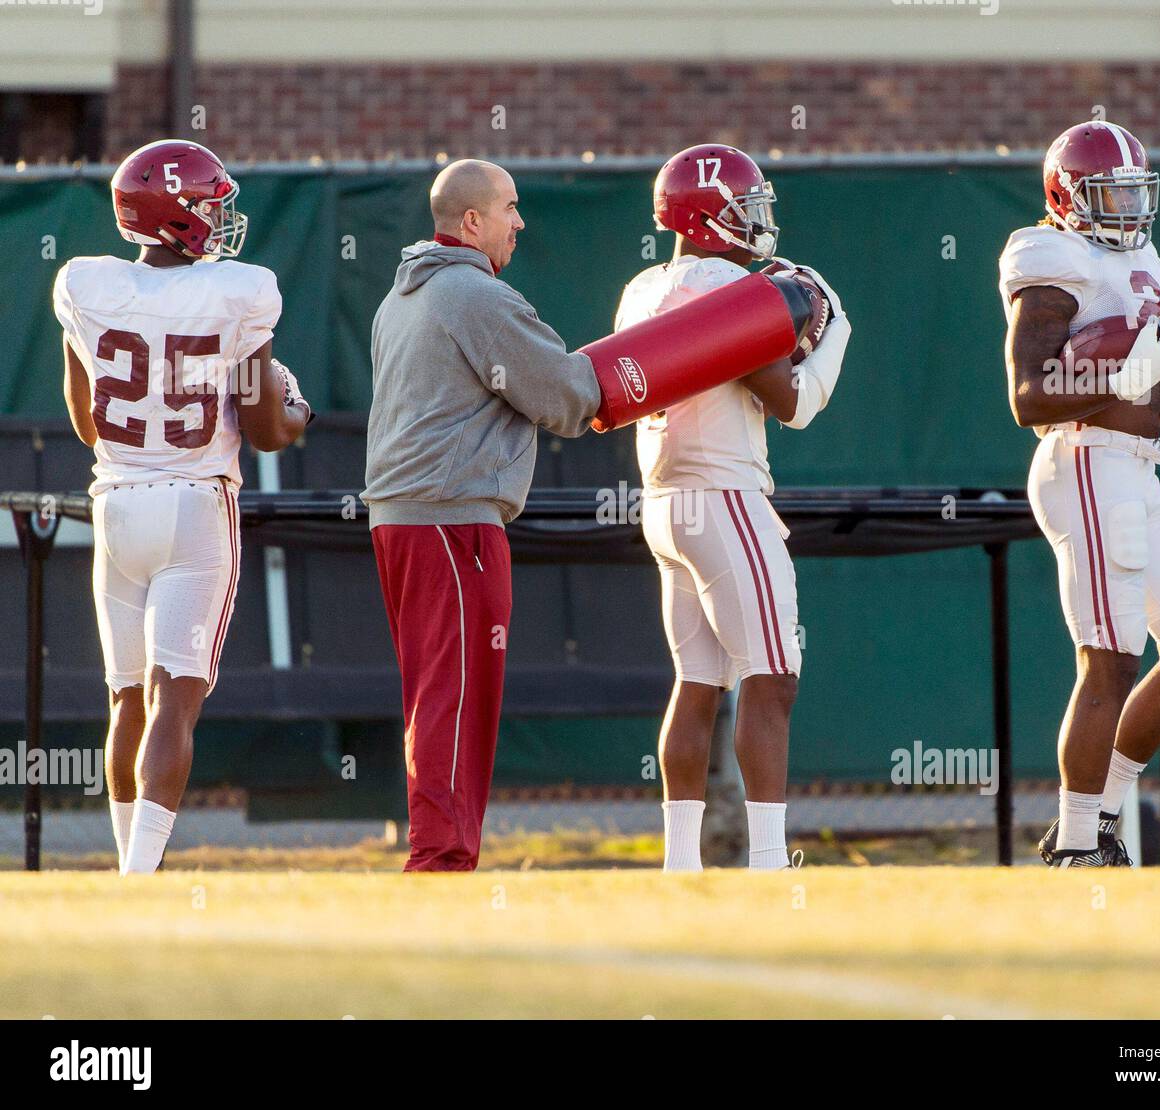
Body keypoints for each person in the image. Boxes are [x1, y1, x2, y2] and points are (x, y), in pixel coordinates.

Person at [54, 139, 311, 874]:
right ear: (176, 215)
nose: (221, 215)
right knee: (176, 698)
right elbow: (265, 432)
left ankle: (131, 871)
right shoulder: (240, 292)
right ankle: (142, 875)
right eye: (208, 203)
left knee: (127, 698)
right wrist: (295, 407)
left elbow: (86, 423)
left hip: (118, 500)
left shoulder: (85, 284)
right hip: (196, 505)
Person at [998, 121, 1160, 867]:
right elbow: (1029, 397)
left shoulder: (1139, 254)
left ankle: (1101, 812)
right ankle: (1079, 845)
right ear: (1064, 196)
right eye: (1110, 194)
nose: (1127, 210)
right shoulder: (1047, 255)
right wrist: (1120, 378)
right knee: (1110, 657)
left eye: (1137, 193)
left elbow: (1143, 404)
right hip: (1082, 464)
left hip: (1137, 463)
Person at [614, 144, 851, 871]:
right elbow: (795, 404)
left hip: (662, 501)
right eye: (746, 207)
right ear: (709, 213)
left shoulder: (643, 288)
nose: (758, 221)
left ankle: (681, 861)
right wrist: (834, 331)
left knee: (697, 682)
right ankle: (771, 858)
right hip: (724, 496)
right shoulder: (734, 290)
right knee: (772, 675)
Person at [363, 159, 603, 872]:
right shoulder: (474, 295)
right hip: (452, 520)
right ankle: (440, 859)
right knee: (457, 698)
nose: (519, 222)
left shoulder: (400, 295)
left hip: (404, 517)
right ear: (473, 222)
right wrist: (640, 373)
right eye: (509, 207)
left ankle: (440, 851)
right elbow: (566, 397)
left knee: (434, 693)